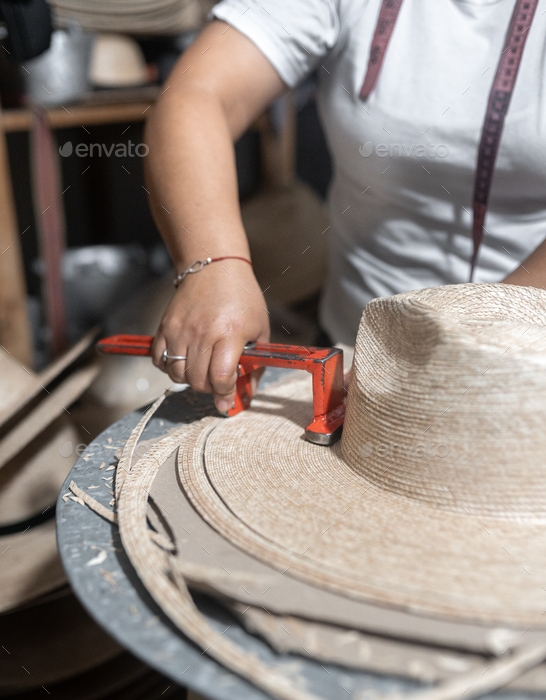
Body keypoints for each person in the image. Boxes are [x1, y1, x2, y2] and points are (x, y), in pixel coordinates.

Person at [144, 0, 546, 414]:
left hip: (530, 359)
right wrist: (213, 263)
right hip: (353, 352)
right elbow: (197, 94)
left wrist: (480, 337)